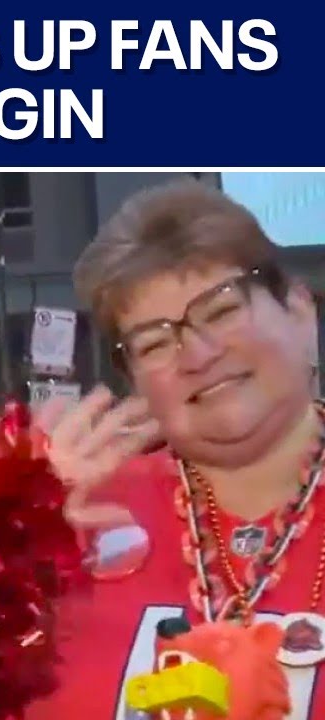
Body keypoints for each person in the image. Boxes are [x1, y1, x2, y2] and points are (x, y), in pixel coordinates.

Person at [27, 179, 324, 718]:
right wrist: (9, 538)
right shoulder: (79, 516)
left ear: (300, 311)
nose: (198, 354)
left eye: (221, 311)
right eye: (156, 343)